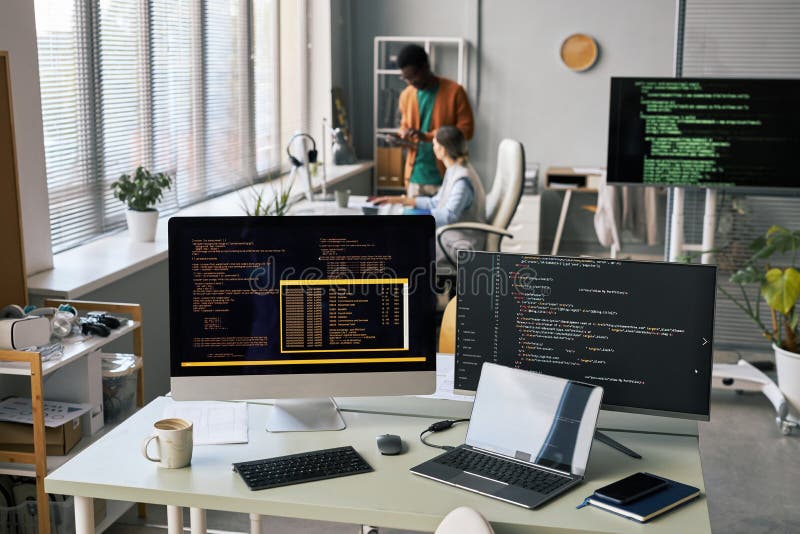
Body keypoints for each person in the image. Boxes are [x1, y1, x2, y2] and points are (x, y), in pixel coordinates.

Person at [374, 126, 486, 266]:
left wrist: (413, 216)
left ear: (442, 150)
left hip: (460, 244)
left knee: (401, 245)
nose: (433, 148)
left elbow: (448, 216)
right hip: (449, 236)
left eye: (434, 144)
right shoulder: (454, 170)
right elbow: (436, 202)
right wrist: (401, 201)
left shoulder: (462, 180)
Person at [395, 44, 474, 197]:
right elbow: (404, 125)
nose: (411, 82)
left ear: (425, 67)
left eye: (413, 76)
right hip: (414, 177)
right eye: (406, 78)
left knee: (445, 221)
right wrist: (401, 136)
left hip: (446, 176)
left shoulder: (455, 92)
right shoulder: (406, 95)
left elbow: (467, 130)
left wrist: (429, 137)